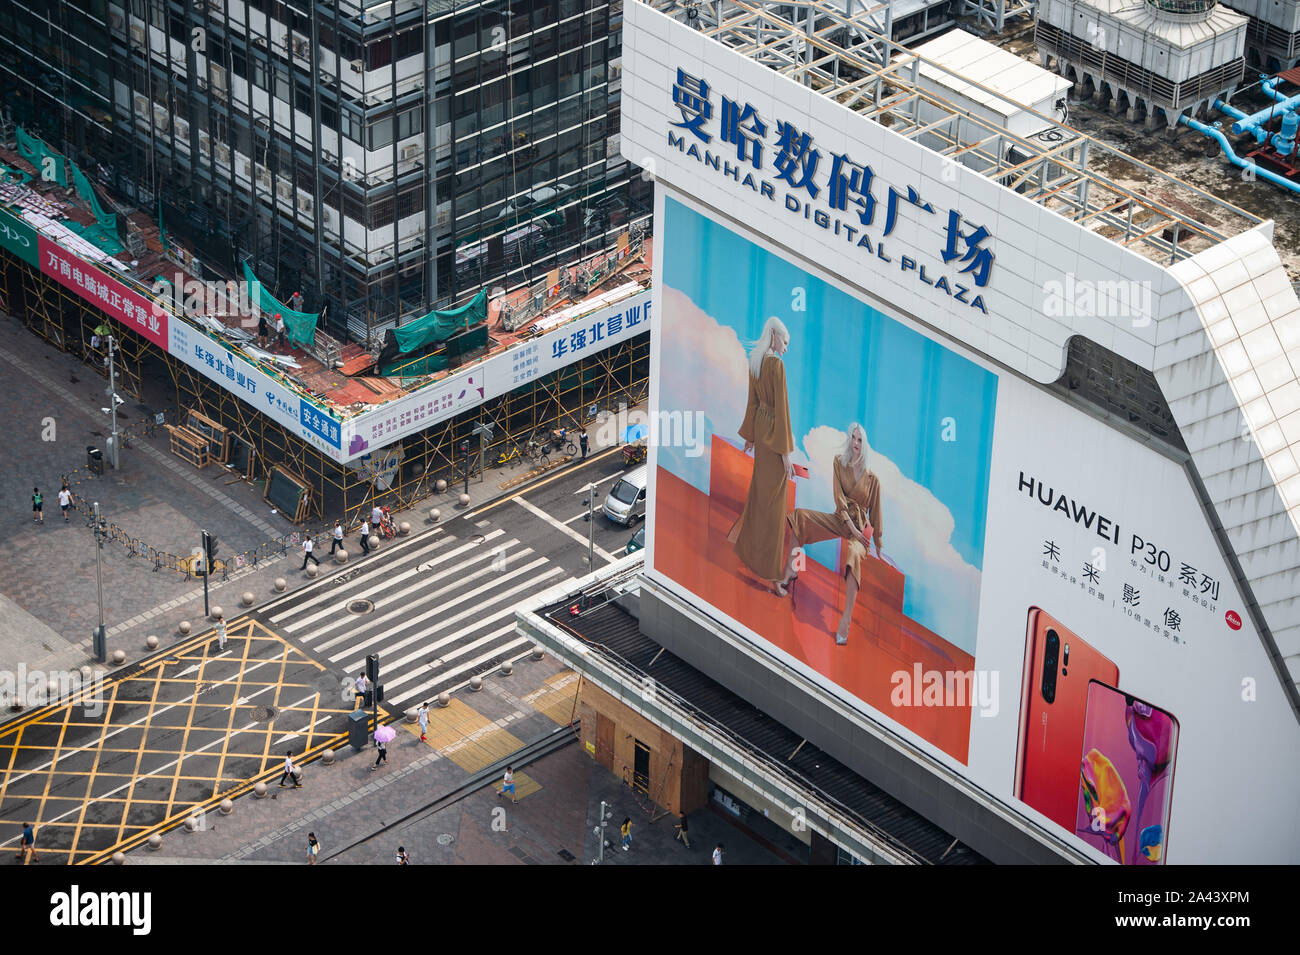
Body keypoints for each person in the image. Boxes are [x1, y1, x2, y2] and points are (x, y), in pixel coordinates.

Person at [776, 423, 883, 645]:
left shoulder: (873, 479)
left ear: (865, 444)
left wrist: (876, 541)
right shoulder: (838, 462)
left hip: (860, 531)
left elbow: (876, 514)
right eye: (853, 438)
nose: (855, 443)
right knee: (800, 517)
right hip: (840, 519)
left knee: (854, 554)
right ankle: (790, 572)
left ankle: (846, 619)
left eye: (860, 440)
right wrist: (849, 526)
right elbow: (839, 498)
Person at [727, 317, 795, 589]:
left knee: (759, 496)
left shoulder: (755, 360)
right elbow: (783, 410)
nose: (786, 348)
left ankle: (750, 554)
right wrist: (786, 452)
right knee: (775, 508)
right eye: (785, 342)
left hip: (762, 434)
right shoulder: (777, 365)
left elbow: (752, 402)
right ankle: (772, 574)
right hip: (775, 439)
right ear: (776, 335)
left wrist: (751, 438)